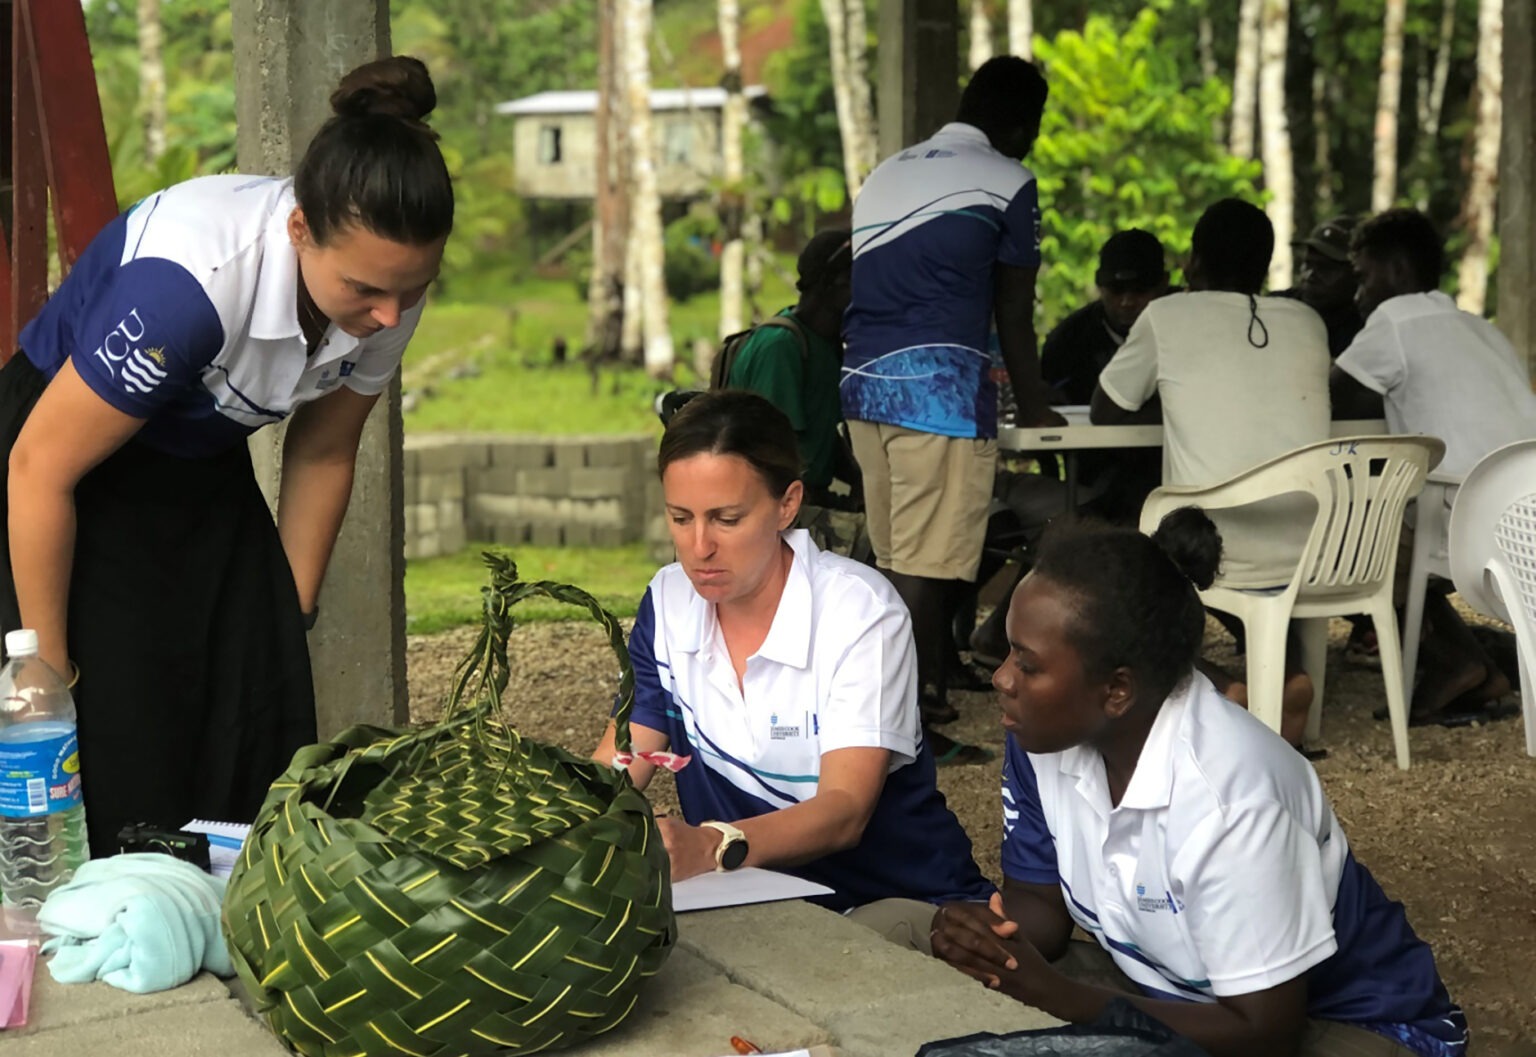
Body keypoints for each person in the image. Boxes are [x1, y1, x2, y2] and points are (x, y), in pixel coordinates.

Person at [0, 56, 453, 856]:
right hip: (58, 453)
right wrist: (48, 672)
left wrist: (292, 610)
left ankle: (227, 904)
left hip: (194, 452)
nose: (387, 316)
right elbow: (41, 467)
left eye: (410, 290)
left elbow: (324, 450)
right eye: (364, 293)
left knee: (256, 717)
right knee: (118, 729)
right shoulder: (186, 288)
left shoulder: (385, 283)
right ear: (299, 229)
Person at [931, 510, 1468, 1057]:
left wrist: (1057, 996)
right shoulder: (1042, 741)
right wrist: (987, 938)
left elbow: (1266, 1032)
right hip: (1173, 991)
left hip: (1351, 1024)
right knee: (904, 929)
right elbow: (1039, 905)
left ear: (1117, 691)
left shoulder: (1231, 800)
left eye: (1027, 664)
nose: (1001, 679)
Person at [593, 391, 994, 946]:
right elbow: (622, 759)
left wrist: (710, 844)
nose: (699, 547)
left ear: (788, 504)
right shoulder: (667, 601)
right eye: (680, 518)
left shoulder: (859, 612)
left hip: (898, 902)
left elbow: (844, 811)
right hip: (749, 901)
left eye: (726, 518)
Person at [839, 56, 1059, 763]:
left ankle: (902, 712)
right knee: (925, 572)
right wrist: (1038, 414)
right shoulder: (1009, 181)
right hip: (939, 392)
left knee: (896, 563)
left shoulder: (886, 172)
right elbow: (1014, 314)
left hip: (864, 388)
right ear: (1021, 123)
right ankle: (901, 733)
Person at [1091, 199, 1330, 747]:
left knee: (1138, 580)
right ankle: (1288, 678)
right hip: (1316, 546)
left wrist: (1180, 400)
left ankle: (1226, 685)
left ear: (1193, 262)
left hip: (1208, 548)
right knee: (1265, 593)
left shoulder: (1168, 316)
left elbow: (1108, 408)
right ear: (1267, 267)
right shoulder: (1308, 321)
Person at [1332, 207, 1536, 723]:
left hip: (1460, 512)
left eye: (1363, 276)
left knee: (1346, 543)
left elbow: (1335, 399)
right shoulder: (1480, 329)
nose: (1357, 293)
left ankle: (1455, 660)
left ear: (1397, 272)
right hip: (1523, 513)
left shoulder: (1393, 321)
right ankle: (1466, 665)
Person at [726, 229, 863, 556]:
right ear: (836, 284)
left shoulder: (826, 346)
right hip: (778, 512)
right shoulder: (781, 348)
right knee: (892, 554)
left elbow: (825, 440)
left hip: (808, 499)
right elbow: (770, 452)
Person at [1041, 229, 1171, 406]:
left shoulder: (1190, 324)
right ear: (1099, 286)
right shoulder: (1067, 344)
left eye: (1140, 289)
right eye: (1116, 290)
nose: (1127, 302)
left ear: (1164, 284)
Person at [1278, 216, 1364, 357]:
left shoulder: (1365, 329)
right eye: (1307, 264)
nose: (1310, 275)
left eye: (1326, 268)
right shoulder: (1277, 307)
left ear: (1355, 273)